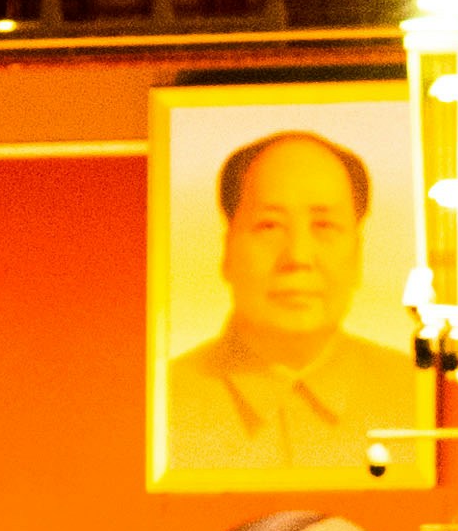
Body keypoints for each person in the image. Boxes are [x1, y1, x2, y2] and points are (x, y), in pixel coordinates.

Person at [159, 129, 433, 485]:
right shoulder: (167, 402)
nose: (298, 257)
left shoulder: (413, 393)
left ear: (358, 253)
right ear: (227, 250)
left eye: (325, 226)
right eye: (269, 225)